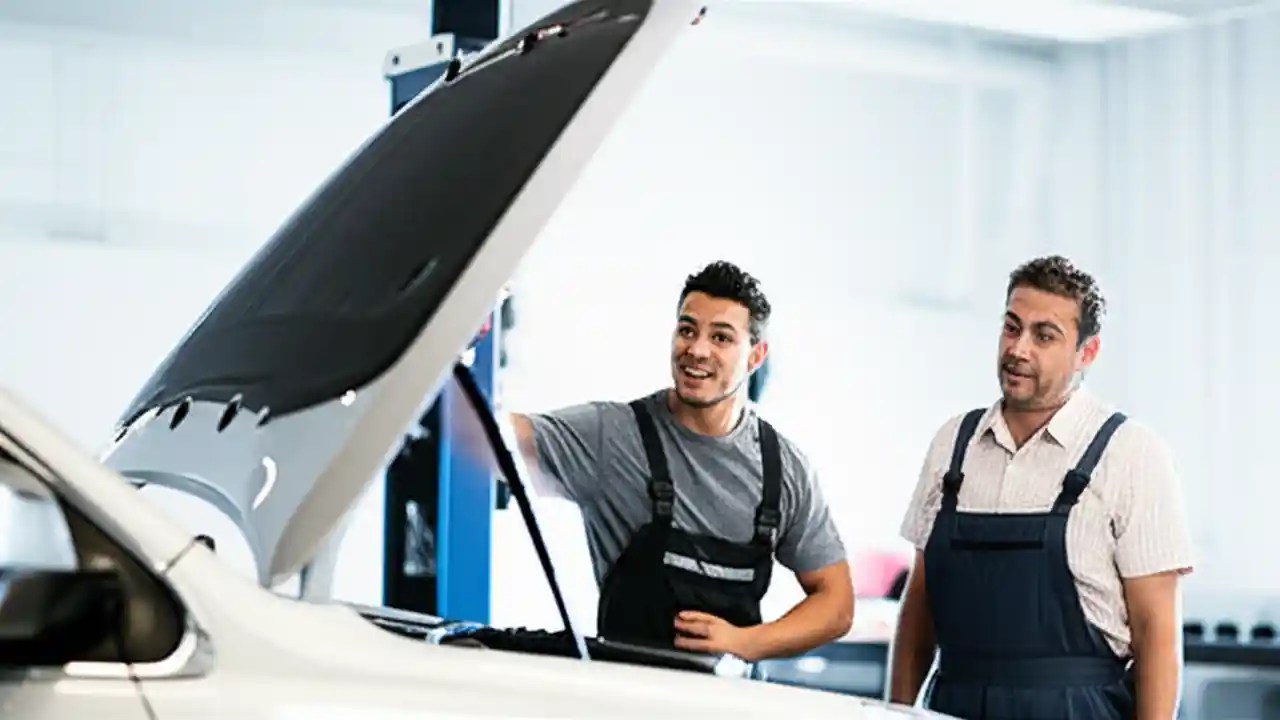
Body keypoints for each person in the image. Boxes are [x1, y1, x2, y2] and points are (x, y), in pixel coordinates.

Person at [887, 255, 1195, 719]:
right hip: (954, 705)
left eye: (1044, 336)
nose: (1019, 349)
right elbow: (918, 608)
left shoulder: (1130, 452)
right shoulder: (953, 444)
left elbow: (1157, 633)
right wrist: (895, 713)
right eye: (1011, 327)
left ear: (1086, 353)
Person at [507, 260, 853, 662]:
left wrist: (745, 643)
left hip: (727, 695)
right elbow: (491, 435)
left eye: (721, 337)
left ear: (755, 356)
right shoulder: (612, 437)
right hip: (625, 690)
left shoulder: (784, 469)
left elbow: (837, 603)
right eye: (687, 330)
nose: (697, 350)